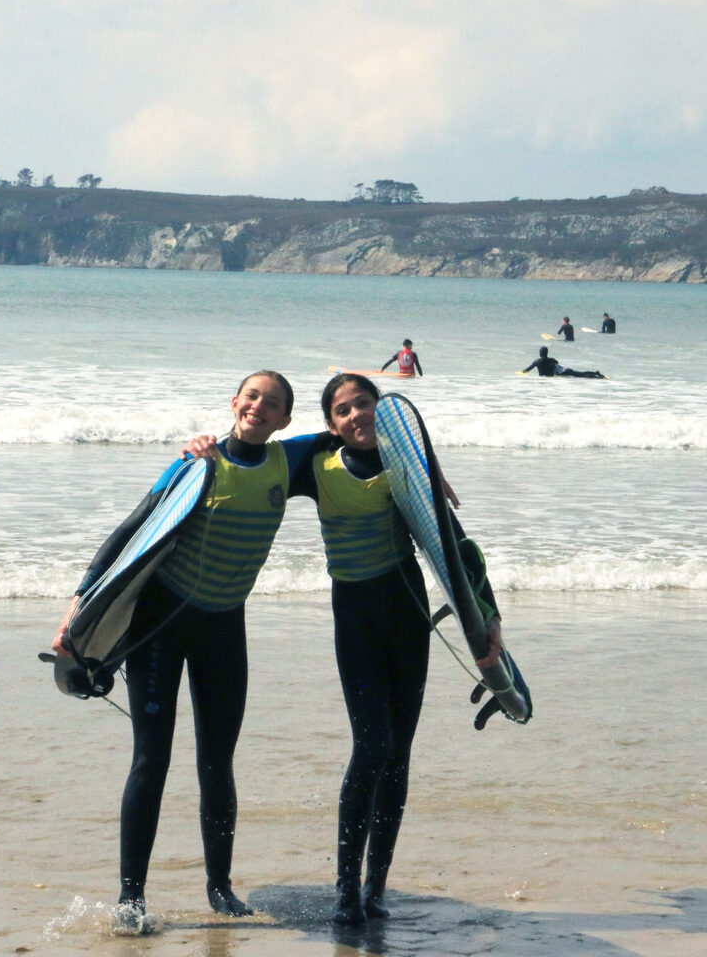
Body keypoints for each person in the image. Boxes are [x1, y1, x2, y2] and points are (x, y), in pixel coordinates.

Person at [188, 373, 499, 926]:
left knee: (398, 754)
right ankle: (345, 890)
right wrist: (203, 447)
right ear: (330, 424)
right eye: (342, 410)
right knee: (372, 745)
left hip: (407, 621)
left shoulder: (407, 472)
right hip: (355, 620)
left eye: (363, 404)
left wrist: (489, 621)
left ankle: (375, 888)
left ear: (380, 408)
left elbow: (455, 549)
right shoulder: (317, 464)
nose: (356, 415)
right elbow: (250, 449)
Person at [50, 371, 321, 934]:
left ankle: (220, 888)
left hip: (225, 627)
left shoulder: (288, 463)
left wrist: (432, 478)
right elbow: (129, 532)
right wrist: (77, 608)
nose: (259, 407)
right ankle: (131, 898)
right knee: (152, 758)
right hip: (161, 625)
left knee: (217, 762)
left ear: (286, 419)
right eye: (252, 397)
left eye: (273, 403)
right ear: (234, 403)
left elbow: (361, 436)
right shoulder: (195, 464)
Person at [521, 345, 605, 379]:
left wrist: (520, 373)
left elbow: (526, 370)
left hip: (562, 374)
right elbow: (556, 363)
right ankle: (596, 373)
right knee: (580, 374)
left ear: (540, 353)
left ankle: (598, 376)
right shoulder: (552, 360)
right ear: (547, 353)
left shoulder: (536, 362)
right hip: (564, 371)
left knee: (581, 375)